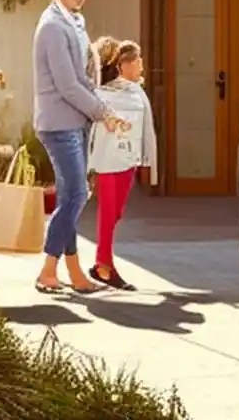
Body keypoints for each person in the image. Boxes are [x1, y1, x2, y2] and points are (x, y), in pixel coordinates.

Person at [33, 0, 122, 294]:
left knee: (69, 196)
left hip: (77, 120)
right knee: (78, 193)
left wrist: (101, 108)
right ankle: (47, 269)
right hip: (59, 123)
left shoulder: (75, 21)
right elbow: (68, 85)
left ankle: (72, 272)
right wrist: (103, 112)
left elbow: (85, 76)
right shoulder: (53, 26)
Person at [87, 37, 158, 291]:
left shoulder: (137, 92)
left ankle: (101, 263)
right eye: (136, 60)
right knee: (108, 211)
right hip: (107, 159)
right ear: (121, 65)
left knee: (115, 211)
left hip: (128, 158)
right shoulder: (103, 93)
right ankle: (103, 265)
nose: (141, 64)